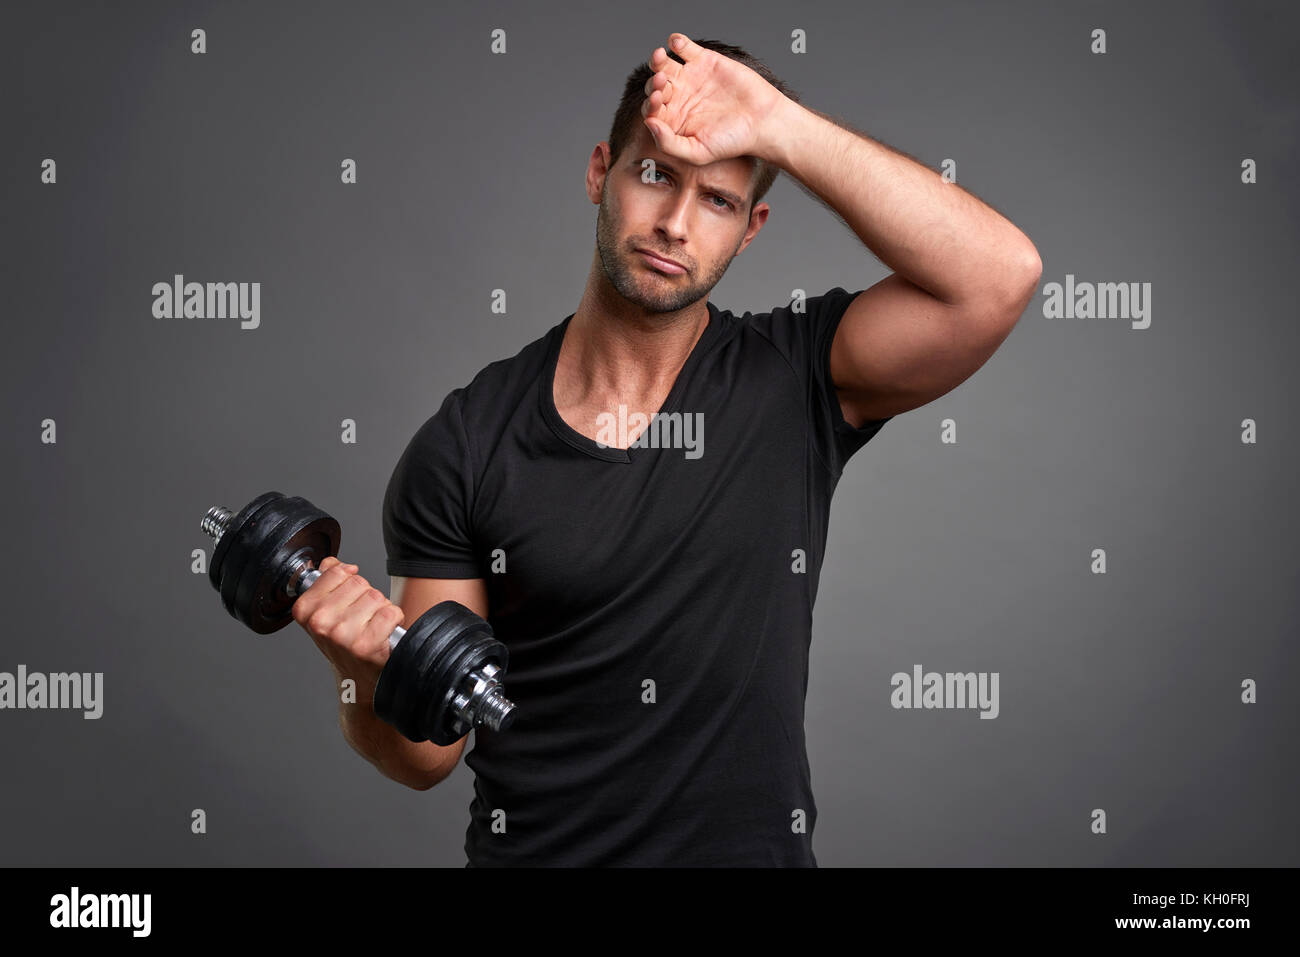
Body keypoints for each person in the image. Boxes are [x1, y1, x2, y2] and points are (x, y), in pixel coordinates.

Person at [291, 34, 1041, 866]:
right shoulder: (464, 444)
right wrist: (355, 672)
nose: (677, 224)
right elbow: (427, 752)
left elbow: (999, 276)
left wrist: (778, 123)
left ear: (751, 229)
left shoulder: (797, 378)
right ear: (599, 172)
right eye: (655, 176)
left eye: (718, 200)